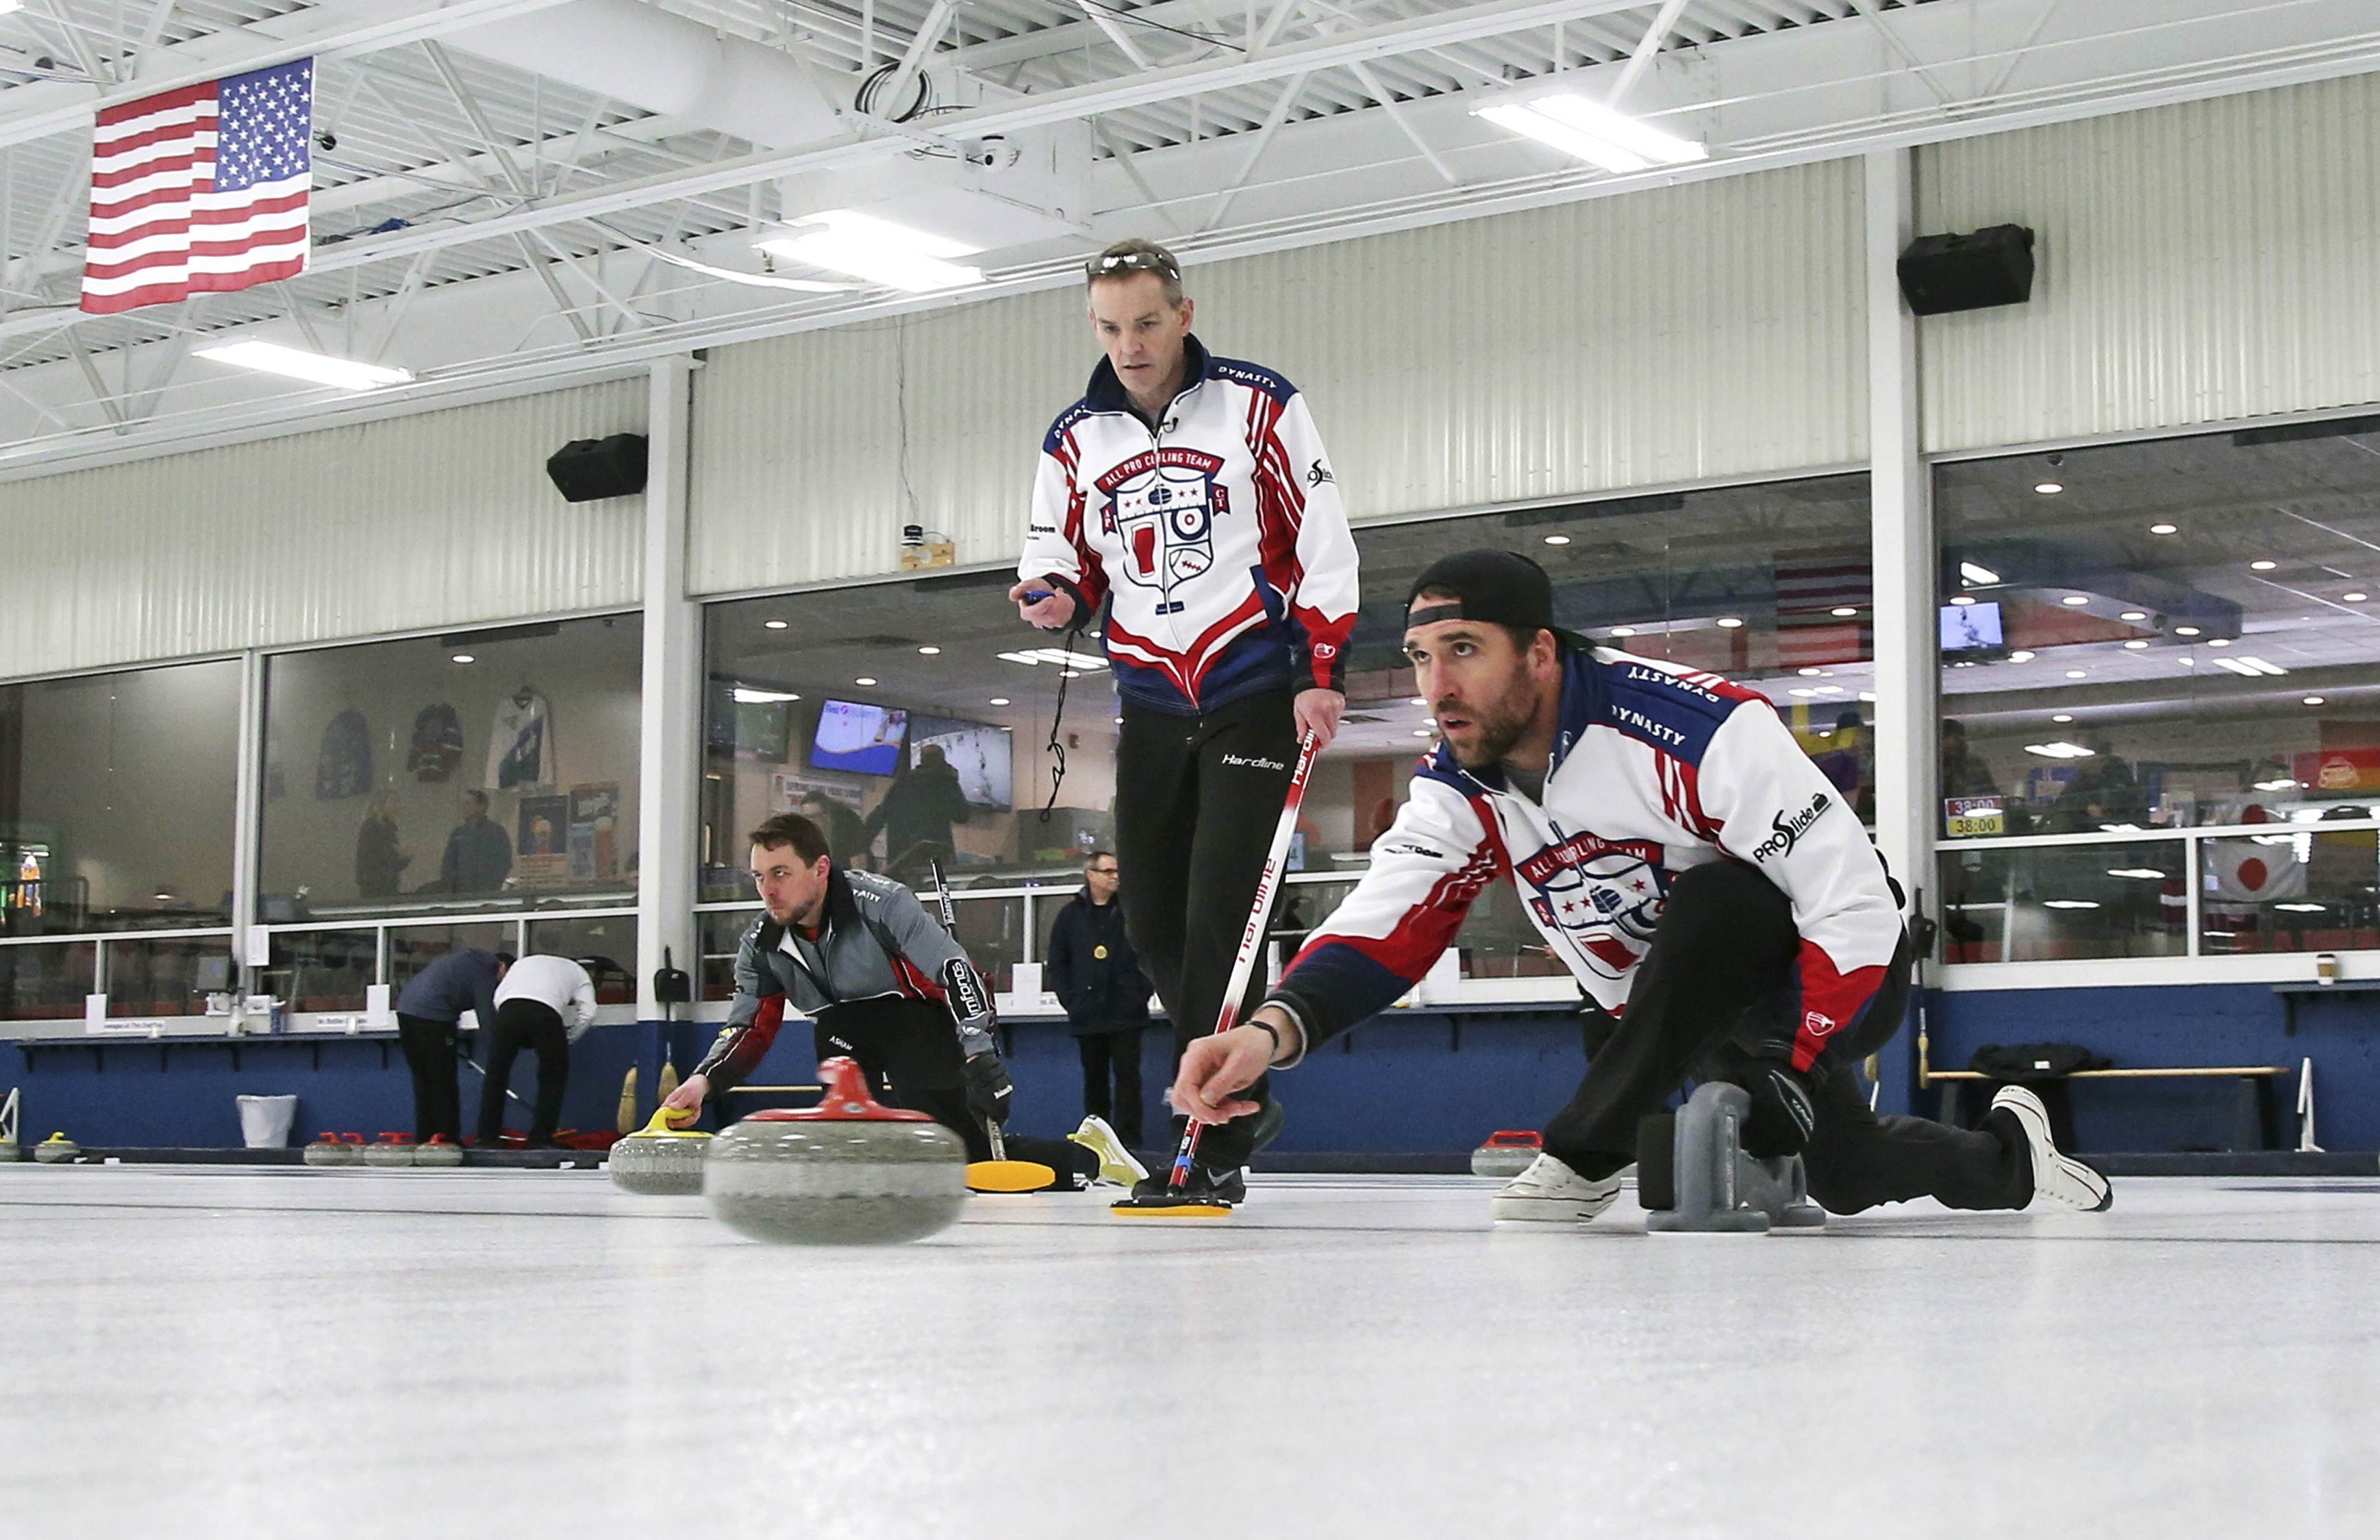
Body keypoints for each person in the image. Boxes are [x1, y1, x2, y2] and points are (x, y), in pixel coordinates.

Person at [1168, 549, 2111, 1223]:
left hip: (1824, 974)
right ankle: (2010, 1153)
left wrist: (1797, 1047)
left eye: (1462, 650)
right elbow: (1389, 918)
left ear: (1537, 653)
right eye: (1420, 658)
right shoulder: (1459, 780)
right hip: (1665, 1013)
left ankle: (1582, 1152)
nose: (1434, 685)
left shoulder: (1695, 730)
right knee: (1849, 1174)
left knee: (1722, 897)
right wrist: (1266, 1030)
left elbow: (1846, 896)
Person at [1009, 237, 1360, 1202]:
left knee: (1218, 924)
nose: (1129, 344)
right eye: (1110, 327)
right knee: (1153, 922)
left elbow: (1321, 541)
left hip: (1252, 691)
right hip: (1151, 702)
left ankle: (1208, 1143)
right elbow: (1065, 558)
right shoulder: (1074, 437)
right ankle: (1240, 1101)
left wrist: (1319, 666)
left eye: (1147, 323)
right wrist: (1051, 594)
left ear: (1184, 315)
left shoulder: (1259, 404)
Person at [662, 814, 1138, 1190]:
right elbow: (748, 1025)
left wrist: (978, 1050)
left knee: (965, 1158)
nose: (768, 888)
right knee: (845, 1092)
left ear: (821, 869)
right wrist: (703, 1082)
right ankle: (859, 1153)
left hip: (918, 1026)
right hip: (843, 1036)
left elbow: (955, 970)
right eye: (759, 876)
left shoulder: (881, 903)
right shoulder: (762, 941)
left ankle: (1089, 1156)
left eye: (781, 873)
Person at [1044, 850, 1151, 1148]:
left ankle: (1129, 1144)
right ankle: (1097, 1145)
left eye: (1118, 871)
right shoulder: (1070, 916)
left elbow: (1149, 954)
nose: (1116, 876)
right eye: (1108, 871)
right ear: (1091, 875)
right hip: (1088, 1013)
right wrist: (1072, 1001)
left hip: (1127, 1012)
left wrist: (1141, 992)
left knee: (1128, 1078)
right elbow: (1058, 962)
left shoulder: (1130, 912)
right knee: (1095, 1081)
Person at [393, 946, 512, 1148]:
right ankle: (447, 1138)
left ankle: (426, 1136)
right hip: (434, 1016)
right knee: (443, 1080)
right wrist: (501, 1051)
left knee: (423, 1079)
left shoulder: (464, 960)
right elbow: (487, 1017)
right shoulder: (486, 971)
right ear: (503, 967)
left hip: (405, 1010)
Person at [476, 952, 597, 1149]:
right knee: (553, 1076)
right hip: (545, 1013)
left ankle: (486, 1137)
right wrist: (568, 1039)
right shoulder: (579, 973)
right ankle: (541, 1137)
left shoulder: (523, 962)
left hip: (509, 1010)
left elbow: (499, 996)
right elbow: (588, 1012)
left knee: (496, 1075)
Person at [859, 744, 970, 886]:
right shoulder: (946, 784)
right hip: (935, 860)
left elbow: (881, 814)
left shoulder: (904, 783)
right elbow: (962, 816)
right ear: (942, 760)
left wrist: (863, 846)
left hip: (901, 858)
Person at [440, 790, 512, 894]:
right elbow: (448, 864)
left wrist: (493, 887)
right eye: (463, 803)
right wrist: (450, 888)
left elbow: (504, 863)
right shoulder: (458, 834)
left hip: (488, 893)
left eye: (468, 803)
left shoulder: (496, 832)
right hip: (461, 894)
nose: (464, 807)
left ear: (481, 806)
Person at [355, 789, 411, 898]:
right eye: (392, 802)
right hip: (374, 886)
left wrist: (405, 857)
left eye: (398, 802)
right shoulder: (371, 827)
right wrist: (395, 852)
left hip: (388, 885)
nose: (397, 806)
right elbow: (374, 858)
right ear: (380, 804)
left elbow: (394, 865)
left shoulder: (390, 828)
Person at [798, 790, 871, 871]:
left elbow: (859, 866)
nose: (811, 822)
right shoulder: (804, 834)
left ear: (827, 816)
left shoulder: (848, 827)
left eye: (814, 816)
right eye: (807, 817)